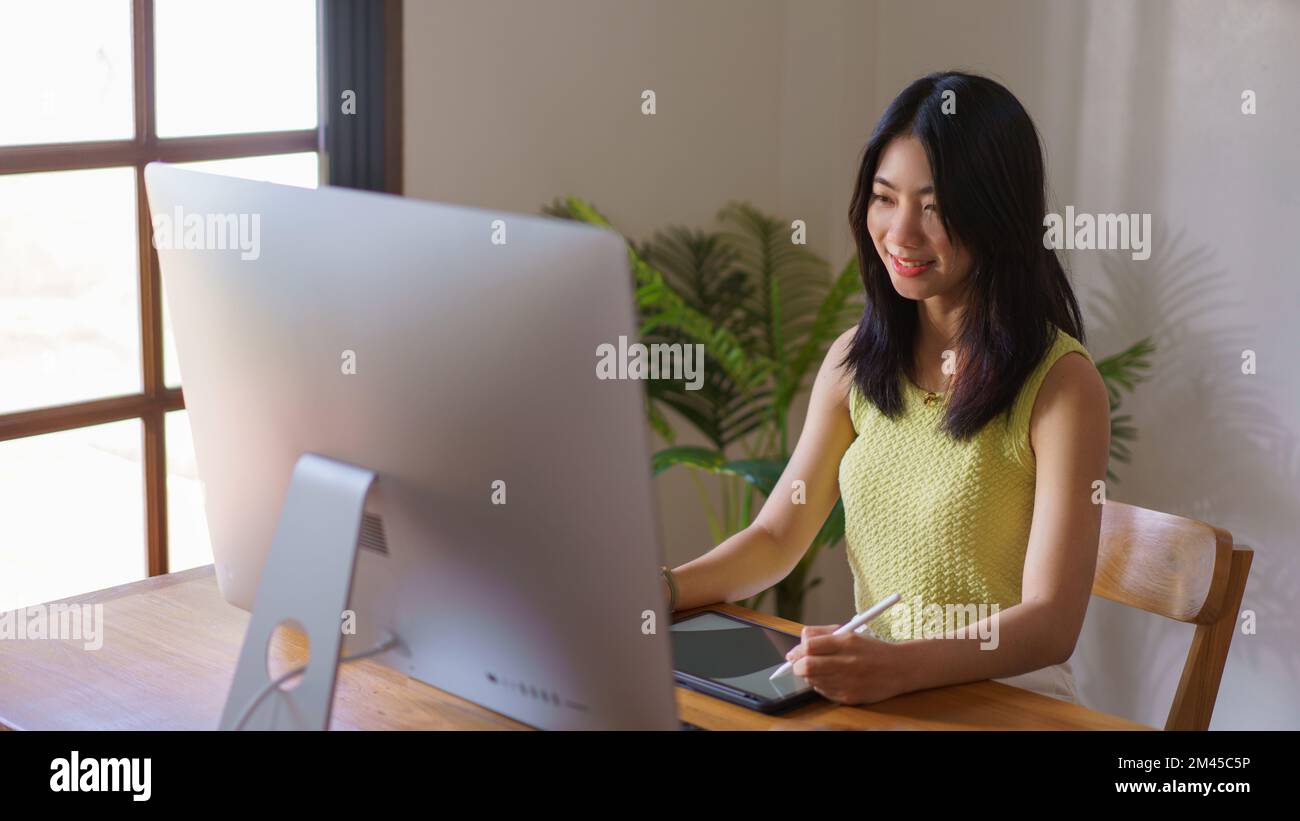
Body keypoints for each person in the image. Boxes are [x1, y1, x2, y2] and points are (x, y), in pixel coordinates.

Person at [661, 70, 1110, 707]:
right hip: (882, 702)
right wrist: (666, 590)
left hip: (1009, 703)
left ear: (998, 215)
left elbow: (1050, 623)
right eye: (884, 197)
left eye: (934, 207)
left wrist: (899, 666)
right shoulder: (854, 362)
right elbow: (776, 538)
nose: (901, 233)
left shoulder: (1061, 386)